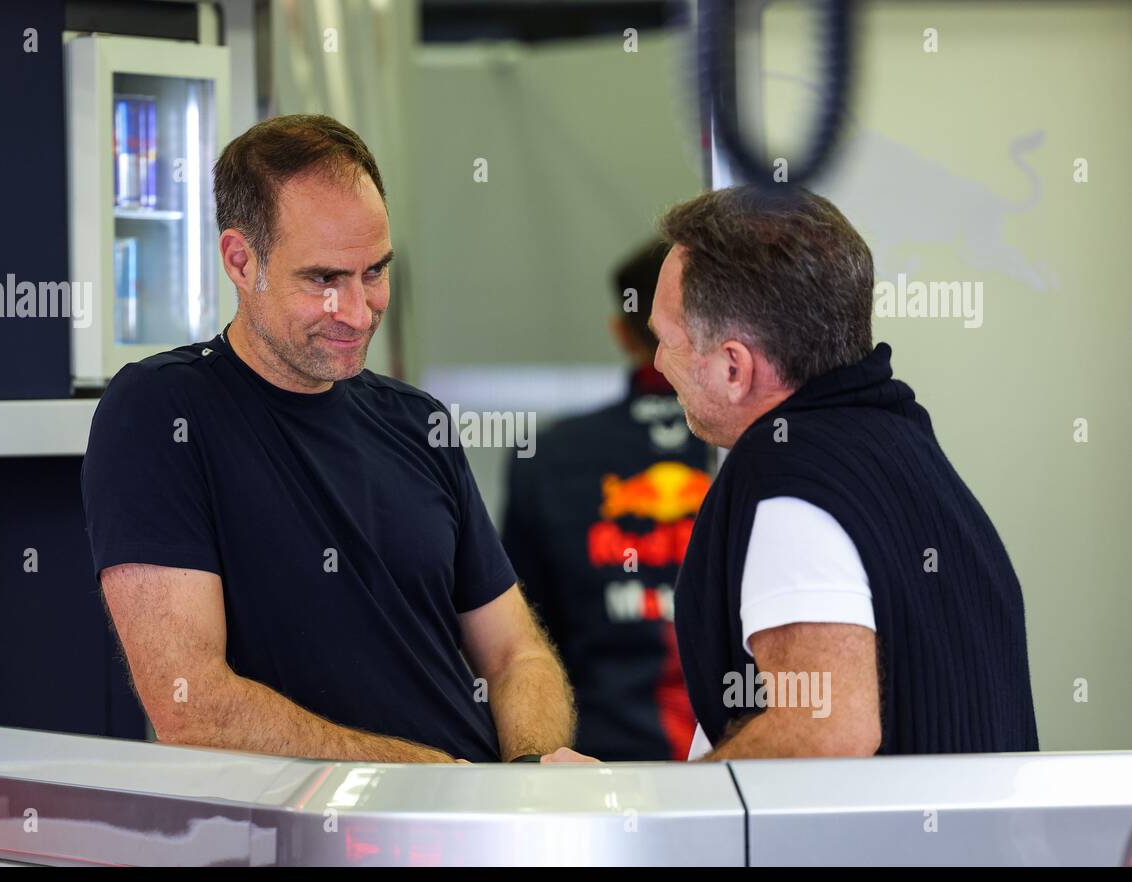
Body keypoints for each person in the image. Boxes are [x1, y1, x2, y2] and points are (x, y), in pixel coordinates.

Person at [82, 114, 574, 763]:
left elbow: (516, 653)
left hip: (469, 818)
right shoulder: (160, 412)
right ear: (240, 260)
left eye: (374, 272)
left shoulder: (415, 422)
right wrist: (424, 776)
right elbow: (191, 704)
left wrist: (532, 766)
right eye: (323, 280)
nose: (359, 309)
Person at [545, 186, 1037, 764]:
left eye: (668, 342)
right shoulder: (903, 443)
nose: (655, 363)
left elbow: (827, 729)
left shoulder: (786, 482)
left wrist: (650, 806)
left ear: (734, 367)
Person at [502, 241, 710, 760]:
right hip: (755, 773)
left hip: (601, 771)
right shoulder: (768, 442)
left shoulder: (549, 455)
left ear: (622, 333)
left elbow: (525, 633)